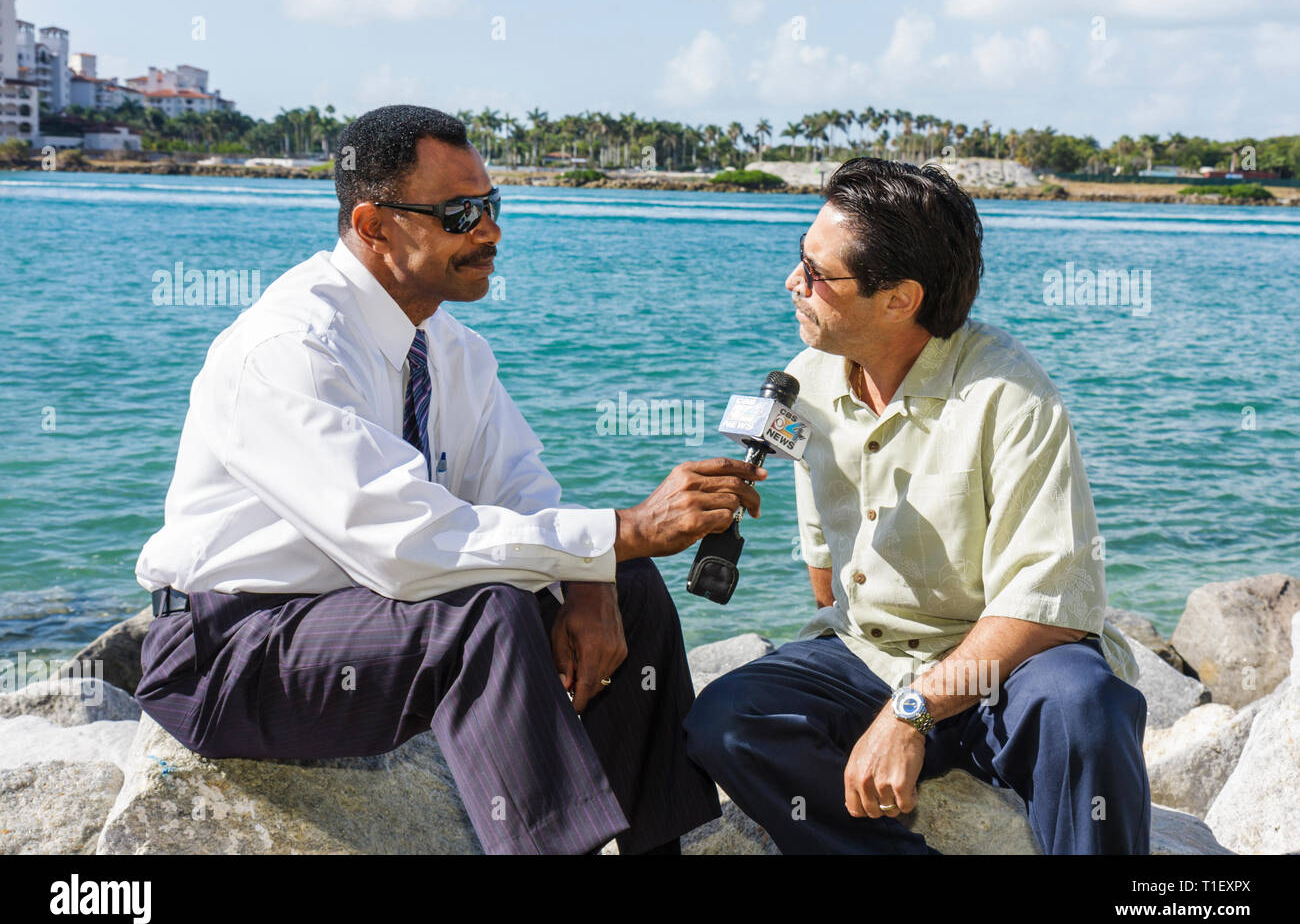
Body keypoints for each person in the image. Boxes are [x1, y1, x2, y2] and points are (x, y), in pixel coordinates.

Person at [133, 104, 766, 855]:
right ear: (373, 225)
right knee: (482, 616)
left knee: (629, 592)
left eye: (493, 206)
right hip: (229, 650)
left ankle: (657, 846)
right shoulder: (290, 349)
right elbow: (404, 545)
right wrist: (626, 529)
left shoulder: (449, 346)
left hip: (355, 622)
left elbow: (520, 486)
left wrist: (596, 575)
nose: (490, 231)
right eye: (460, 213)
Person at [684, 157, 1151, 854]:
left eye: (817, 274)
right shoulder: (808, 378)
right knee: (726, 719)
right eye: (799, 262)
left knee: (1085, 706)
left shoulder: (1009, 393)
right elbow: (824, 561)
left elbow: (1047, 607)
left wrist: (911, 714)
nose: (793, 284)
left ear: (900, 298)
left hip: (1009, 668)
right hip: (868, 654)